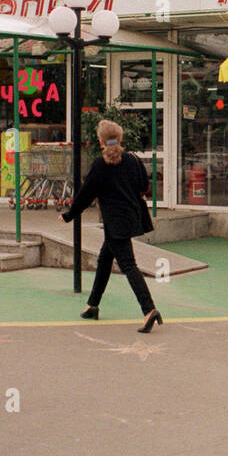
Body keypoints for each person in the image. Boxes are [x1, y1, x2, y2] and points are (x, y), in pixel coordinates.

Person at [60, 119, 162, 332]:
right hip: (130, 218)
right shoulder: (133, 160)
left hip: (115, 223)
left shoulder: (100, 165)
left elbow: (86, 194)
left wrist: (69, 215)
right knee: (105, 259)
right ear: (120, 138)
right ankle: (92, 305)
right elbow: (144, 186)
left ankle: (149, 309)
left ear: (100, 141)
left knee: (129, 265)